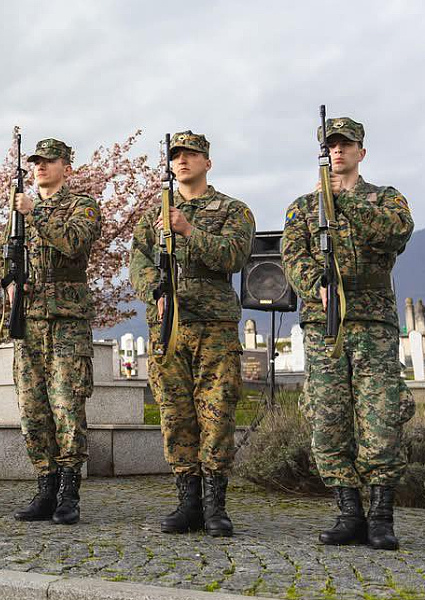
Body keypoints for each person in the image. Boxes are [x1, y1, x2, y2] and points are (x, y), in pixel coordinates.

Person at [281, 116, 414, 550]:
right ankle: (348, 512)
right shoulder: (302, 208)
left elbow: (395, 234)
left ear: (361, 151)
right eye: (331, 145)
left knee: (380, 419)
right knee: (328, 418)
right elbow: (292, 257)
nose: (338, 151)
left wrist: (346, 203)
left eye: (346, 144)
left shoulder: (385, 199)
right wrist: (314, 282)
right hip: (325, 325)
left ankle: (381, 516)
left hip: (373, 323)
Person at [129, 131, 255, 537]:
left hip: (214, 327)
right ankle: (187, 502)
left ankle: (216, 506)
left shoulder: (232, 210)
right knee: (175, 414)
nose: (182, 161)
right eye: (176, 155)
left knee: (217, 414)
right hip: (169, 327)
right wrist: (155, 289)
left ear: (207, 162)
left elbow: (235, 255)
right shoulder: (154, 215)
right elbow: (138, 261)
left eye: (192, 154)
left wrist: (187, 230)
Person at [8, 138, 102, 525]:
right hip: (29, 320)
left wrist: (36, 214)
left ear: (66, 166)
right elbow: (9, 257)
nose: (40, 167)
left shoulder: (82, 206)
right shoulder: (19, 214)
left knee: (66, 407)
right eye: (36, 162)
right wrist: (10, 282)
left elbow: (74, 243)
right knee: (33, 409)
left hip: (66, 320)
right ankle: (45, 484)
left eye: (49, 161)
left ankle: (68, 490)